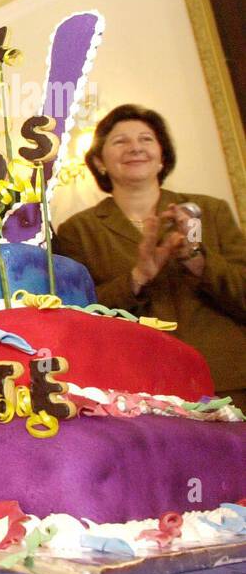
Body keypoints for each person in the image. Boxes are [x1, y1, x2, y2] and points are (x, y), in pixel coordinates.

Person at [57, 104, 246, 407]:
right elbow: (77, 316)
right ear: (99, 162)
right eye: (120, 141)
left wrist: (197, 261)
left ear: (163, 157)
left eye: (146, 139)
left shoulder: (208, 211)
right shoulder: (78, 231)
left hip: (228, 379)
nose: (135, 148)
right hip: (138, 388)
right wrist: (136, 278)